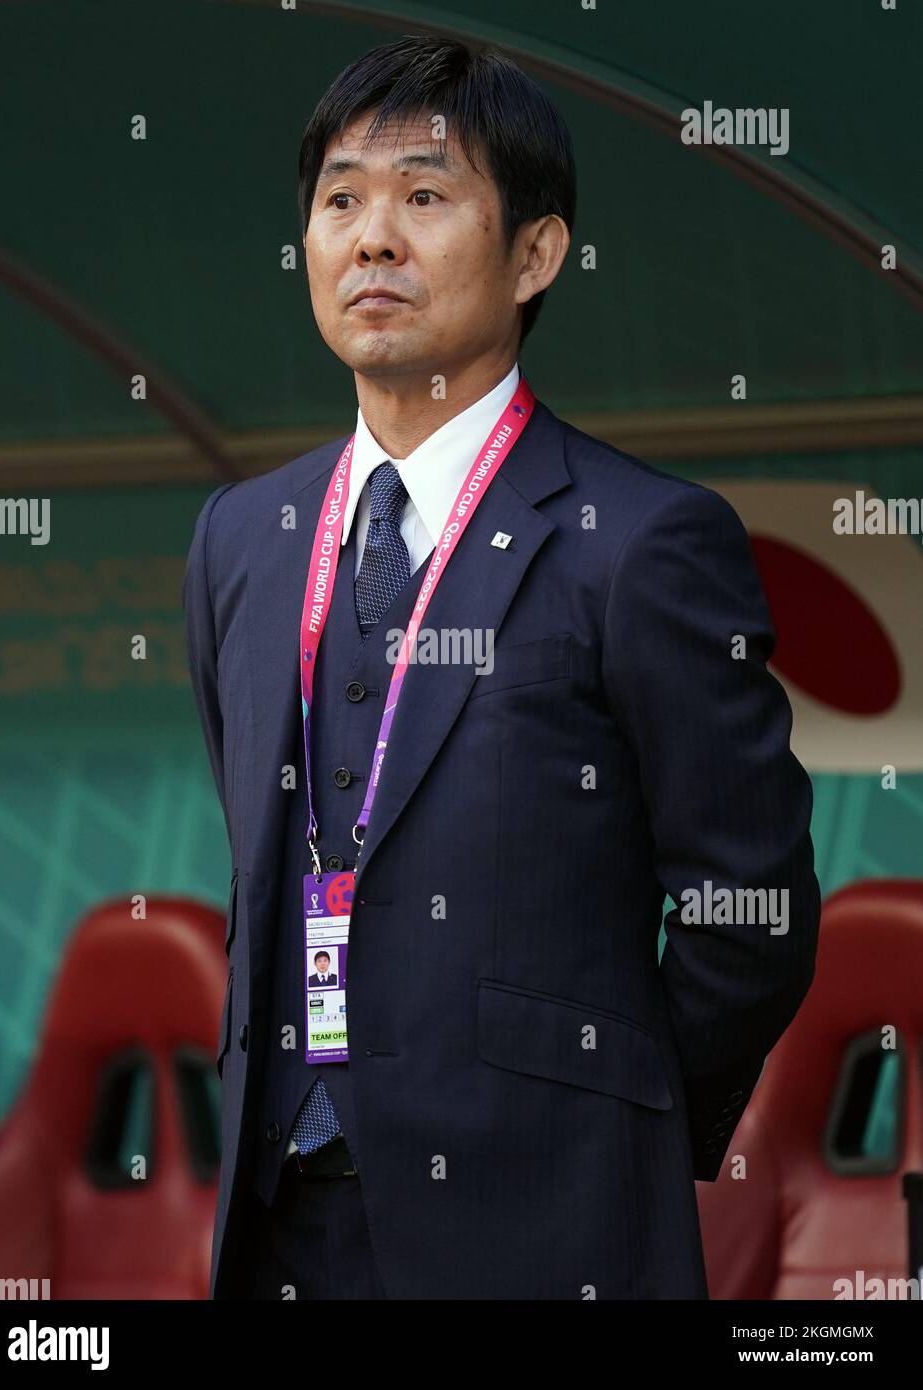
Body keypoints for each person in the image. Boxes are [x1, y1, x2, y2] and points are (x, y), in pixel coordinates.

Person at [184, 35, 821, 1300]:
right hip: (277, 1224)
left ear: (534, 253)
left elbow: (748, 910)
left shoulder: (641, 540)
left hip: (547, 1230)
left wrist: (606, 1109)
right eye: (340, 199)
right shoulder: (241, 538)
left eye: (424, 195)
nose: (372, 237)